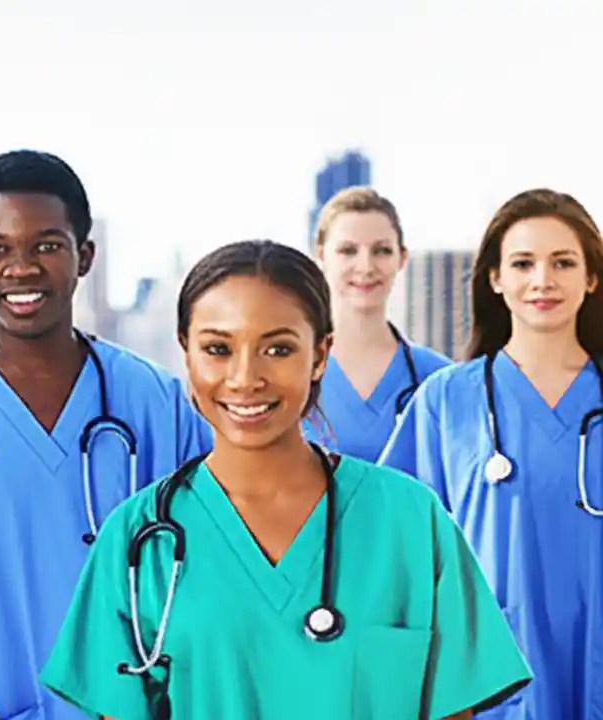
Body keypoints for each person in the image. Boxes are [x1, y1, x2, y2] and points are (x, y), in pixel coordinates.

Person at [40, 239, 532, 720]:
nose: (245, 377)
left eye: (277, 349)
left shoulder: (410, 520)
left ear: (320, 356)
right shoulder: (137, 537)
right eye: (217, 348)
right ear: (186, 356)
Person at [0, 149, 210, 719]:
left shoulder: (158, 406)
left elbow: (197, 588)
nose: (20, 268)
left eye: (47, 246)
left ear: (85, 256)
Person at [380, 188, 603, 719]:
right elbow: (395, 541)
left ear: (591, 278)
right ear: (495, 279)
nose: (542, 280)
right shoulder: (446, 401)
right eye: (523, 263)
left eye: (563, 263)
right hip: (492, 680)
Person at [303, 187, 451, 461]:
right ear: (321, 257)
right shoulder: (292, 372)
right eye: (348, 250)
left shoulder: (440, 378)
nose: (365, 266)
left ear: (402, 258)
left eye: (381, 251)